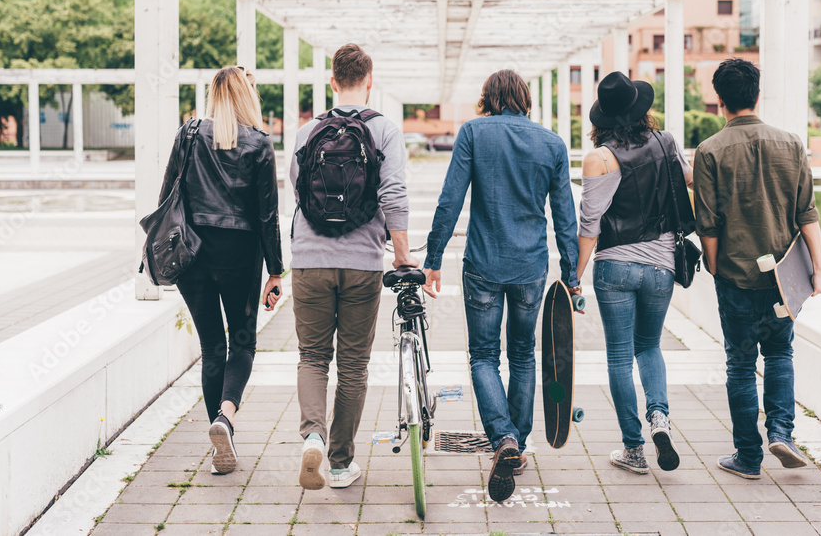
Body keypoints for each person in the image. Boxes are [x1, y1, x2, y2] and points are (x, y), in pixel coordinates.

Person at [422, 69, 580, 503]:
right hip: (530, 266)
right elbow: (566, 218)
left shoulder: (473, 133)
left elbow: (450, 199)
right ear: (525, 98)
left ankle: (503, 438)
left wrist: (432, 260)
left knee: (484, 355)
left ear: (487, 98)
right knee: (524, 353)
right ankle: (517, 443)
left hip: (484, 265)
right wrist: (572, 277)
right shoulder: (552, 144)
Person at [289, 44, 415, 490]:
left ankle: (313, 437)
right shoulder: (384, 129)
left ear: (332, 82)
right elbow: (394, 194)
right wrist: (400, 255)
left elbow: (297, 191)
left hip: (309, 261)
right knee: (354, 365)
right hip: (363, 263)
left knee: (312, 357)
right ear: (370, 80)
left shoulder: (308, 133)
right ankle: (340, 464)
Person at [693, 58, 821, 480]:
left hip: (736, 277)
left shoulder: (710, 151)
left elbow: (708, 223)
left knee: (739, 365)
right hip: (783, 280)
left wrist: (716, 268)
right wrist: (817, 272)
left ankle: (748, 457)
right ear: (757, 94)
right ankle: (782, 432)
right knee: (780, 352)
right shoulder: (791, 144)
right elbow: (807, 214)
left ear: (720, 100)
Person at [160, 65, 284, 475]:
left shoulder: (189, 134)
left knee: (212, 348)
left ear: (213, 95)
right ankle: (225, 418)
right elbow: (268, 215)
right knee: (242, 344)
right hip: (239, 255)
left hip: (192, 254)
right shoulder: (259, 144)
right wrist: (276, 271)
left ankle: (218, 442)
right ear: (248, 98)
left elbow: (166, 198)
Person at [575, 72, 693, 475]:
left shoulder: (600, 158)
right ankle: (659, 417)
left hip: (615, 268)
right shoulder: (666, 142)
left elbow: (589, 226)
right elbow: (690, 179)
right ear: (642, 111)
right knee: (650, 347)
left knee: (619, 356)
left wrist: (575, 276)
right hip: (661, 266)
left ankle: (633, 449)